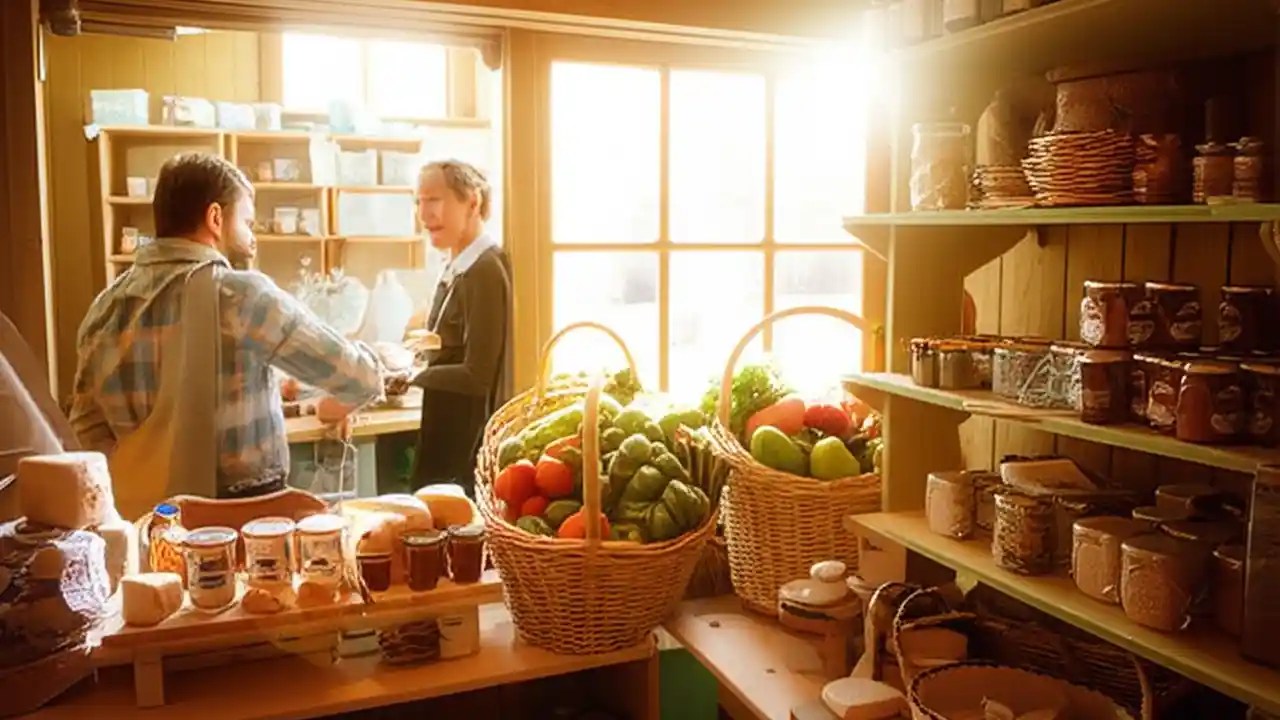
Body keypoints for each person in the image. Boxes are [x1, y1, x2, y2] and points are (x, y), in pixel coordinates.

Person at [70, 152, 383, 515]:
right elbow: (362, 377)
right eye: (248, 223)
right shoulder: (239, 295)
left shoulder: (106, 306)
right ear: (215, 218)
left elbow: (86, 426)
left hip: (148, 521)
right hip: (244, 519)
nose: (253, 237)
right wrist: (339, 402)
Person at [410, 160, 512, 496]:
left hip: (466, 444)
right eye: (419, 202)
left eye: (434, 200)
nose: (424, 215)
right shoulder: (456, 266)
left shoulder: (485, 270)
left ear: (472, 202)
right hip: (443, 431)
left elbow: (478, 374)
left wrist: (412, 377)